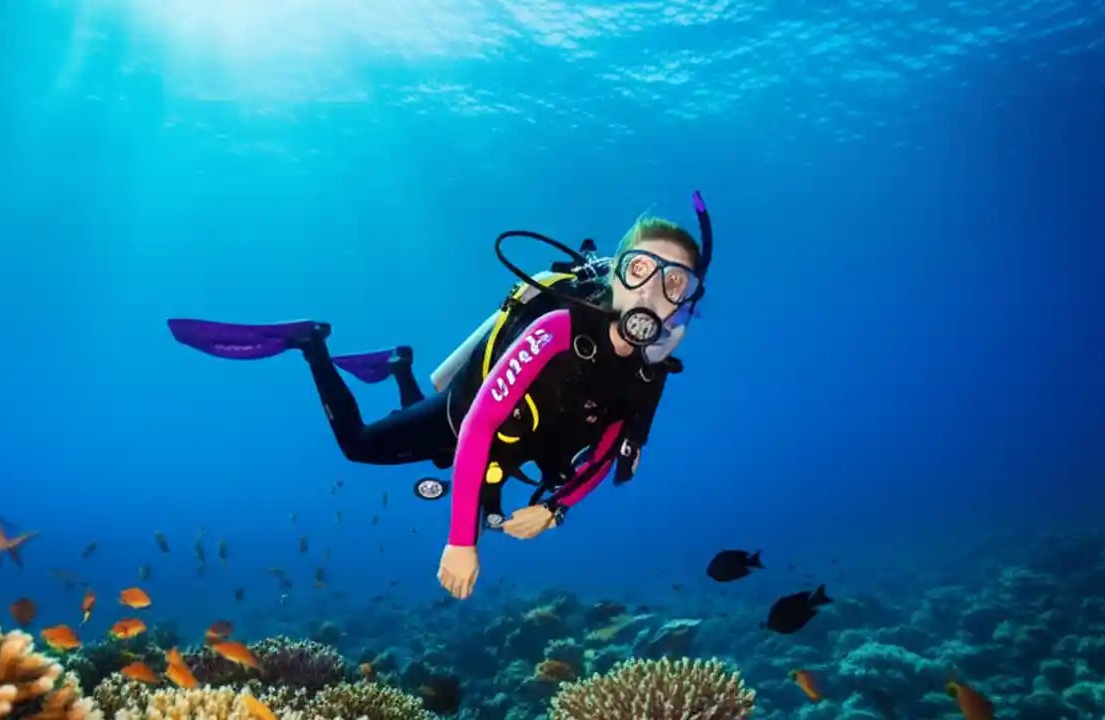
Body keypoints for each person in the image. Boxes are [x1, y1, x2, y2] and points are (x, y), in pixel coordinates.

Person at [167, 191, 715, 600]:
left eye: (675, 283)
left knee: (432, 448)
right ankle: (312, 343)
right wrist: (460, 542)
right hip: (466, 421)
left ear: (687, 305)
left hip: (507, 455)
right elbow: (478, 426)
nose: (651, 290)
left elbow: (609, 453)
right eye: (640, 268)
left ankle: (399, 364)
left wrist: (556, 510)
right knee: (359, 446)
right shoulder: (557, 329)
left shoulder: (651, 373)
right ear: (615, 275)